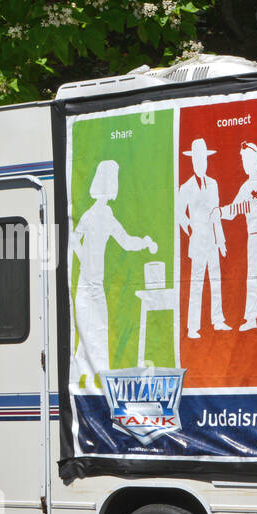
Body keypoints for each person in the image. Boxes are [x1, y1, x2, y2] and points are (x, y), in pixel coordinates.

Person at [69, 160, 157, 390]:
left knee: (92, 333)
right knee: (93, 332)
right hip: (88, 284)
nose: (113, 184)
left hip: (94, 283)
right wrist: (86, 262)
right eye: (111, 179)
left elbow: (126, 241)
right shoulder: (92, 213)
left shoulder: (105, 213)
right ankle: (95, 383)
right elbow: (73, 239)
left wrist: (145, 243)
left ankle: (88, 381)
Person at [215, 142, 257, 339]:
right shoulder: (244, 186)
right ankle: (251, 319)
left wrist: (226, 210)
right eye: (243, 160)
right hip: (252, 237)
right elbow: (234, 210)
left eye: (248, 159)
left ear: (256, 159)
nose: (245, 163)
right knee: (252, 276)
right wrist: (219, 212)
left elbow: (253, 204)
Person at [176, 138, 231, 339]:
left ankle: (218, 320)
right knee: (197, 281)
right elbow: (179, 213)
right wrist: (189, 228)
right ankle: (193, 327)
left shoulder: (213, 184)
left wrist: (221, 241)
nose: (202, 163)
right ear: (193, 161)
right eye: (198, 159)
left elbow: (216, 213)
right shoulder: (186, 187)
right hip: (198, 240)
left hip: (213, 241)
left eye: (204, 159)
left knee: (215, 279)